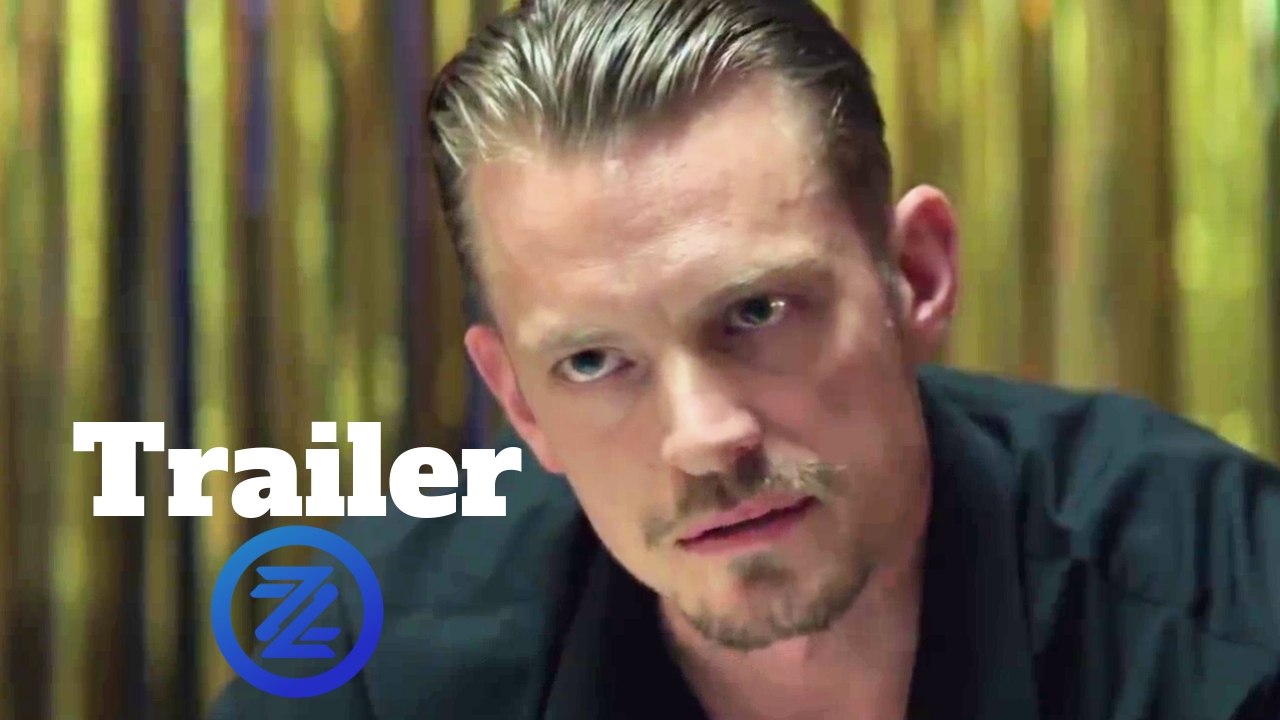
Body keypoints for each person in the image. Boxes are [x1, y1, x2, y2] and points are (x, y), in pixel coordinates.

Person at [210, 0, 1280, 717]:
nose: (702, 438)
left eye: (757, 311)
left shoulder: (1230, 618)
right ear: (519, 403)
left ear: (914, 275)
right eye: (593, 362)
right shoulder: (366, 666)